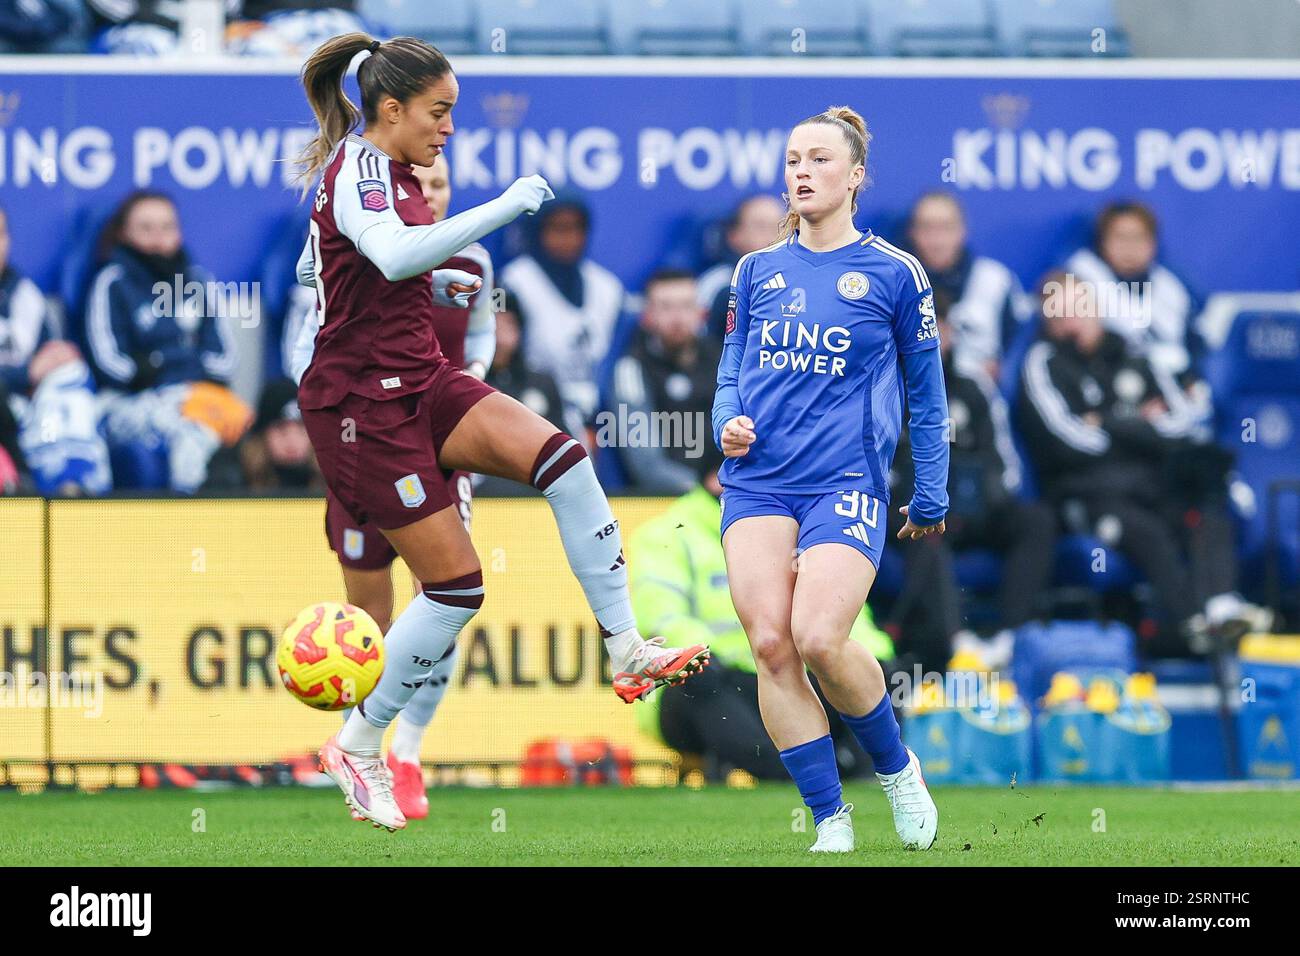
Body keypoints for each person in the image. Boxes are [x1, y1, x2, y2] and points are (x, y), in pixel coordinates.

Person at [291, 33, 710, 831]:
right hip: (360, 406)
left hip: (422, 378)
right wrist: (505, 206)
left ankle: (626, 650)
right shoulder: (358, 169)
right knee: (456, 589)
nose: (449, 129)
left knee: (567, 460)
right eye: (438, 112)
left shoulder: (395, 169)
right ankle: (360, 742)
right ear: (391, 109)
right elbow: (393, 252)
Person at [713, 105, 944, 853]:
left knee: (818, 635)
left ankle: (897, 771)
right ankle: (829, 818)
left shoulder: (895, 272)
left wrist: (931, 485)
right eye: (791, 160)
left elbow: (926, 390)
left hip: (845, 479)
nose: (801, 172)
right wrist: (728, 421)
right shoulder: (755, 271)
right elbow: (731, 371)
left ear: (855, 177)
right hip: (758, 482)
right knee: (772, 644)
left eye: (817, 159)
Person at [289, 152, 494, 820]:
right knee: (370, 617)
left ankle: (404, 751)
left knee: (444, 596)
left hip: (435, 440)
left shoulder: (470, 261)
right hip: (361, 436)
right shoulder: (357, 247)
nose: (428, 196)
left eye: (439, 186)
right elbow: (304, 340)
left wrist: (466, 388)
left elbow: (481, 333)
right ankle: (361, 751)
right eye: (421, 185)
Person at [1016, 272, 1268, 654]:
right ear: (1046, 319)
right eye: (1059, 309)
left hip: (1153, 483)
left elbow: (1182, 425)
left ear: (1095, 307)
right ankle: (1191, 625)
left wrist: (1108, 420)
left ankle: (1220, 606)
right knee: (1146, 532)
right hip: (1089, 495)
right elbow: (1067, 441)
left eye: (1078, 305)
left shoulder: (1135, 353)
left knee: (1205, 508)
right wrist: (1140, 424)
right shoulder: (1042, 363)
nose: (1071, 317)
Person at [629, 445, 894, 781]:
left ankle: (869, 780)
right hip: (711, 682)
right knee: (703, 681)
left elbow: (842, 611)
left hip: (783, 673)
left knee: (861, 672)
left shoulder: (797, 525)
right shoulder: (666, 534)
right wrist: (716, 658)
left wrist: (876, 658)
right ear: (717, 478)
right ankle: (798, 779)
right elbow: (660, 618)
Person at [889, 289, 1056, 667]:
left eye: (938, 327)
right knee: (920, 528)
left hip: (973, 507)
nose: (930, 336)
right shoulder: (883, 388)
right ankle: (957, 643)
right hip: (910, 510)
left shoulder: (974, 386)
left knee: (1035, 521)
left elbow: (1004, 458)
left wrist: (988, 496)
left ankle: (1012, 639)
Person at [83, 190, 248, 492]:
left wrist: (176, 377)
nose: (158, 237)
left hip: (193, 397)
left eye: (167, 227)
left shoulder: (199, 281)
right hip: (128, 403)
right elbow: (110, 364)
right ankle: (184, 523)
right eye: (146, 228)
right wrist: (171, 367)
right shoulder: (112, 282)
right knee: (191, 434)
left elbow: (225, 359)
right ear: (123, 233)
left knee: (237, 423)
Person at [499, 194, 624, 437]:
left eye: (576, 229)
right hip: (536, 408)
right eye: (557, 229)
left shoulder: (607, 287)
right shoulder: (513, 281)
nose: (569, 239)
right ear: (537, 231)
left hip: (603, 415)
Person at [607, 268, 721, 494]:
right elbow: (647, 465)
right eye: (666, 307)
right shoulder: (630, 370)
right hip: (666, 502)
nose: (677, 318)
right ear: (647, 316)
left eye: (686, 306)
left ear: (701, 313)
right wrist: (704, 491)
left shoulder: (724, 359)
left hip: (727, 488)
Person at [1065, 201, 1202, 385]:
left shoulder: (1173, 287)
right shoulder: (1080, 280)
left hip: (1171, 385)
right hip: (1106, 383)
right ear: (1101, 241)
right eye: (1120, 237)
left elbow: (1194, 347)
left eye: (1138, 238)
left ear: (1153, 243)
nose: (1129, 247)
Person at [905, 190, 1030, 379]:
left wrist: (1005, 371)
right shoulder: (894, 283)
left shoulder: (995, 280)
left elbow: (1021, 342)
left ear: (962, 230)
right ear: (912, 232)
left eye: (946, 227)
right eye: (926, 227)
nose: (936, 239)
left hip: (981, 398)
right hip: (910, 395)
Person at [697, 194, 785, 340]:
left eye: (781, 226)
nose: (774, 236)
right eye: (761, 226)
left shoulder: (802, 277)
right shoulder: (717, 283)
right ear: (734, 236)